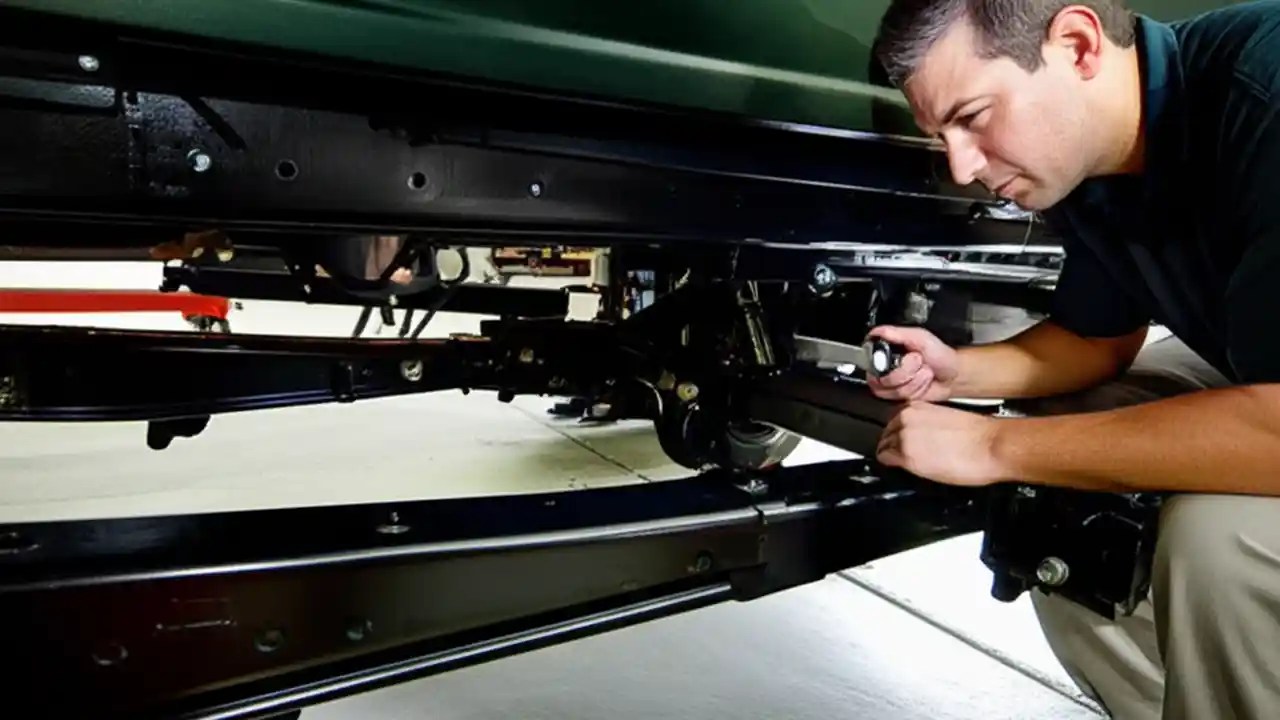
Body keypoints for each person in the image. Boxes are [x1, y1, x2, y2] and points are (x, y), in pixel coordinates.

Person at [867, 1, 1280, 718]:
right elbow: (1098, 338)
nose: (962, 168)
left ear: (1078, 45)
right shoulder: (1094, 154)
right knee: (1062, 486)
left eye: (973, 117)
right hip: (1258, 367)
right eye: (942, 135)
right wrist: (959, 370)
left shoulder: (1263, 95)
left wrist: (998, 445)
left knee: (1220, 546)